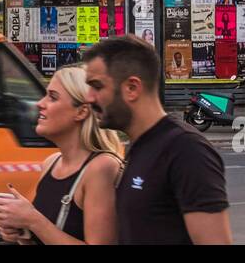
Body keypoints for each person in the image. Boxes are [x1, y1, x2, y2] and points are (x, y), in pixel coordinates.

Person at [83, 34, 232, 244]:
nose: (89, 97)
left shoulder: (186, 150)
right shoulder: (139, 147)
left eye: (97, 86)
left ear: (132, 88)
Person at [0, 66, 123, 245]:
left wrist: (33, 220)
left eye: (52, 97)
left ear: (81, 112)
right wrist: (21, 232)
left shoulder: (101, 167)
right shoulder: (51, 163)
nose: (40, 103)